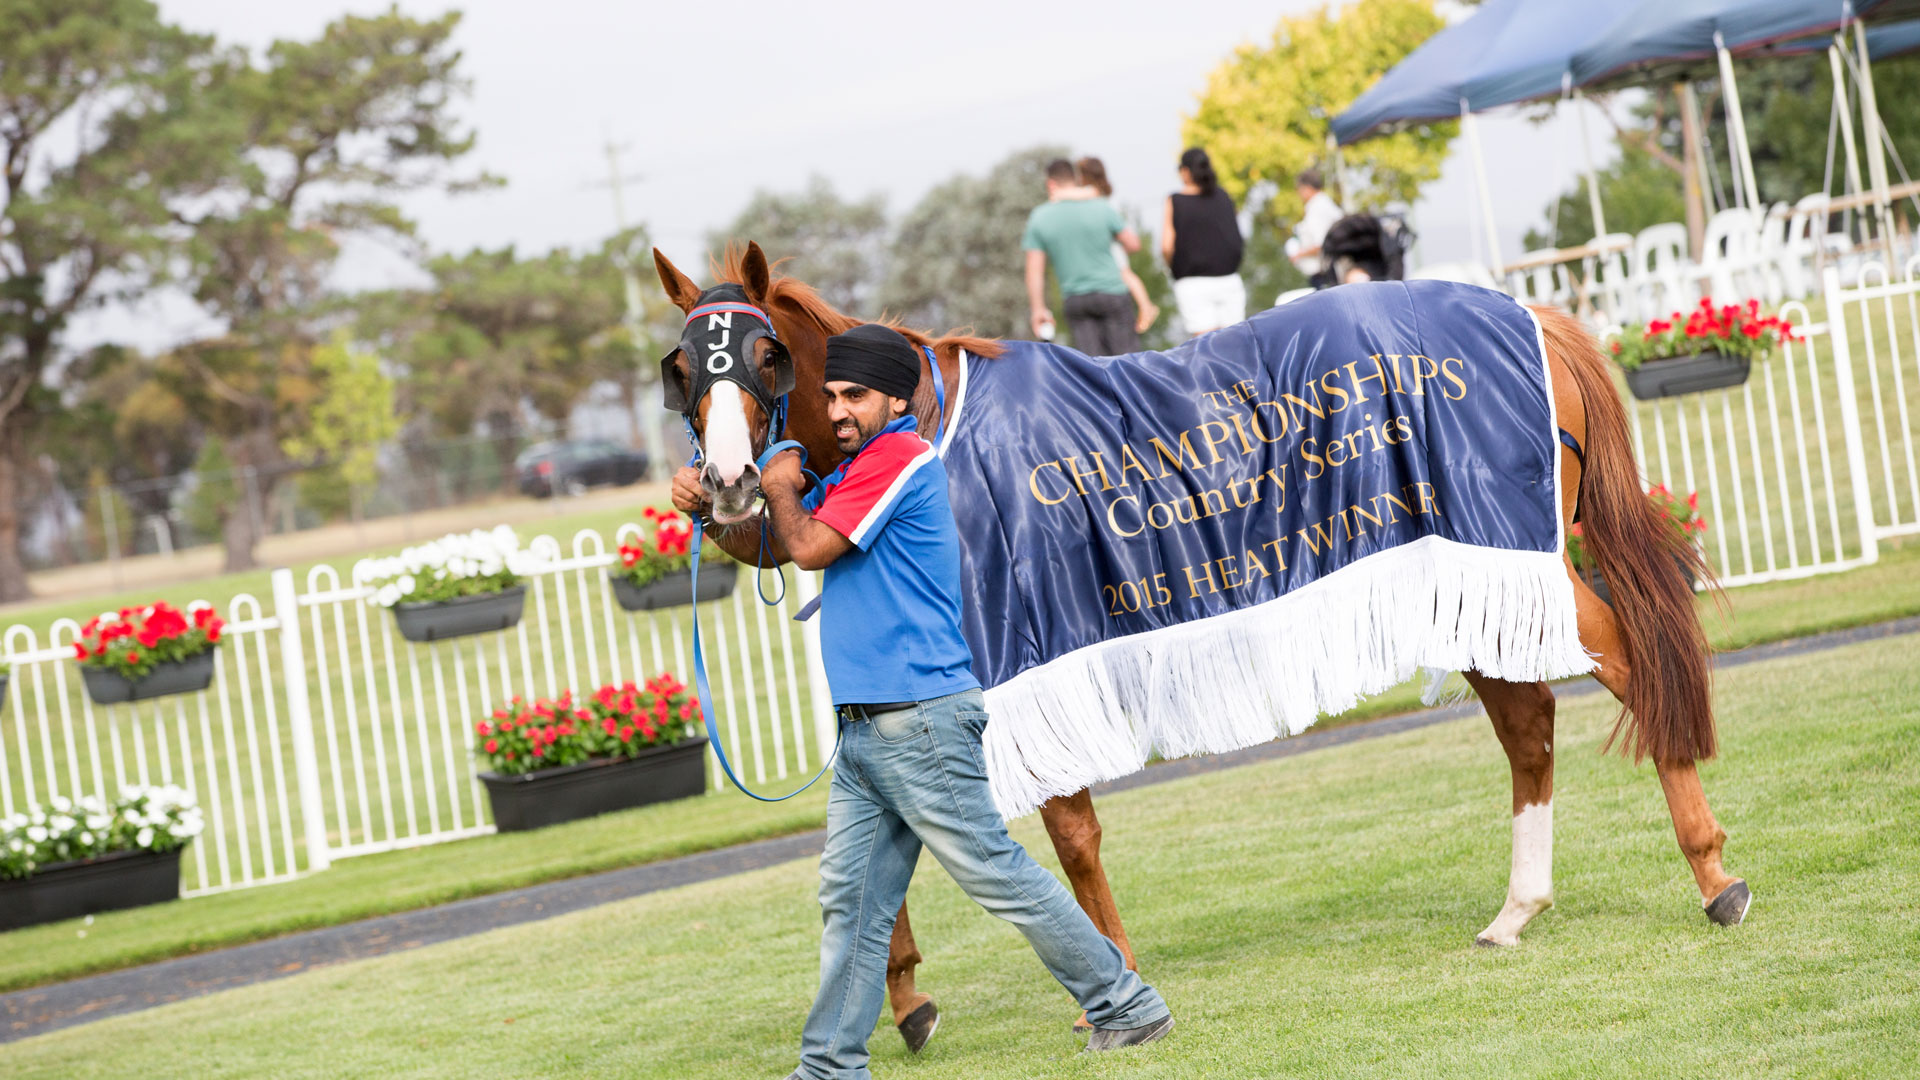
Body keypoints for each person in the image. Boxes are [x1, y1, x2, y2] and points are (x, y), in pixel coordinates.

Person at [674, 323, 1174, 1080]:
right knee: (852, 902)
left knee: (995, 874)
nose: (838, 410)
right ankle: (831, 1064)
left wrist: (777, 481)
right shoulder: (853, 471)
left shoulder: (898, 459)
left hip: (918, 719)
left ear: (898, 398)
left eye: (856, 396)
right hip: (873, 728)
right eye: (831, 395)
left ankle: (1125, 1004)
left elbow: (805, 547)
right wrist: (711, 509)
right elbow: (778, 541)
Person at [1023, 158, 1144, 355]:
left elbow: (1034, 272)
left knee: (1093, 369)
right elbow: (1133, 244)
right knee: (1127, 364)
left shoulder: (1039, 217)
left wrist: (1038, 310)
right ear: (1076, 179)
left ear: (1050, 184)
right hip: (1112, 292)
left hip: (1076, 300)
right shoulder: (1101, 206)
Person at [1159, 147, 1246, 336]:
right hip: (1229, 279)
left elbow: (1166, 246)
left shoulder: (1175, 200)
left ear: (1185, 171)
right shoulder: (1223, 196)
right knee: (1236, 345)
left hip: (1192, 284)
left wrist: (1171, 268)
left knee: (1206, 349)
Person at [1074, 156, 1160, 335]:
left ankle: (1146, 306)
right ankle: (1146, 306)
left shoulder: (1092, 195)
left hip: (1108, 245)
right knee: (1125, 273)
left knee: (1124, 272)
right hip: (1107, 243)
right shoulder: (1103, 196)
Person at [1285, 168, 1344, 279]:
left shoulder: (1317, 208)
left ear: (1306, 188)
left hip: (1327, 272)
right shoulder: (1325, 203)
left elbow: (1321, 244)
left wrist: (1298, 254)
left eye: (1299, 189)